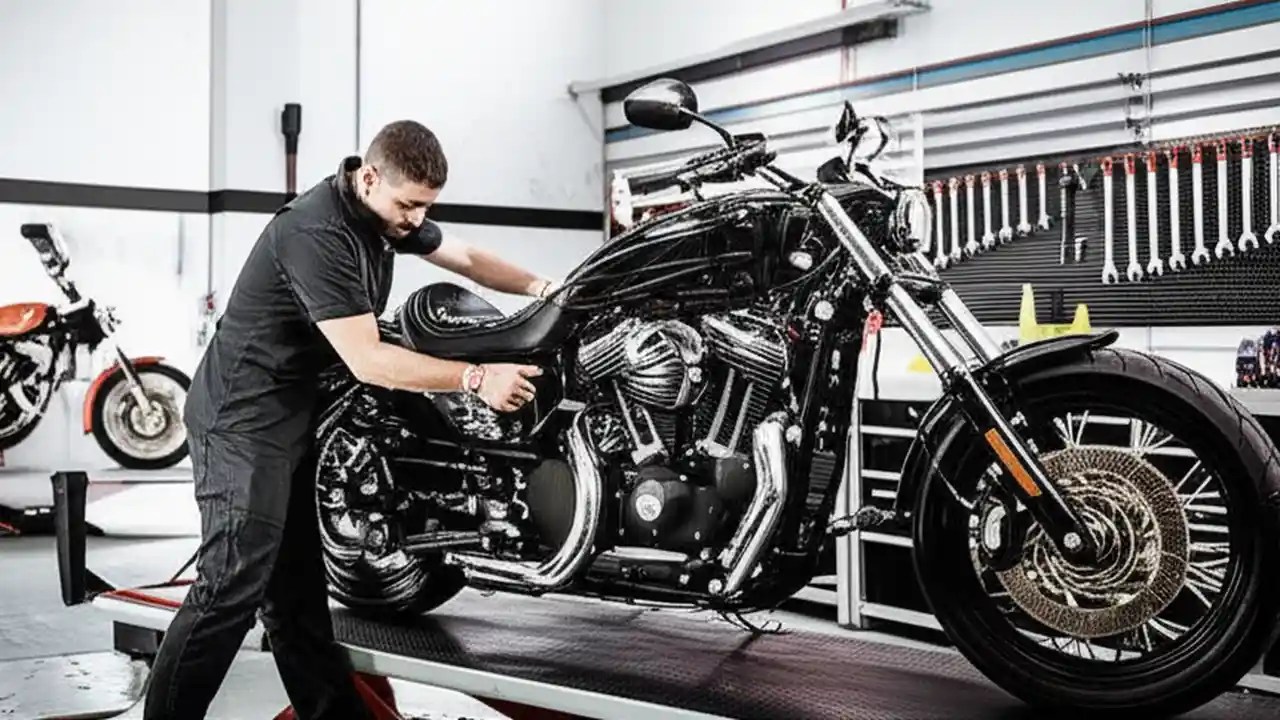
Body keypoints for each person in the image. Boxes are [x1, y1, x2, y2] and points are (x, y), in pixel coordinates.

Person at [143, 119, 555, 719]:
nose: (416, 218)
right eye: (408, 204)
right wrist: (475, 377)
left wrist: (546, 287)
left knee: (298, 597)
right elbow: (368, 360)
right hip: (243, 420)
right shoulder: (316, 230)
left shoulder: (384, 215)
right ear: (369, 176)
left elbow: (464, 257)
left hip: (292, 415)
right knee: (228, 587)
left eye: (425, 206)